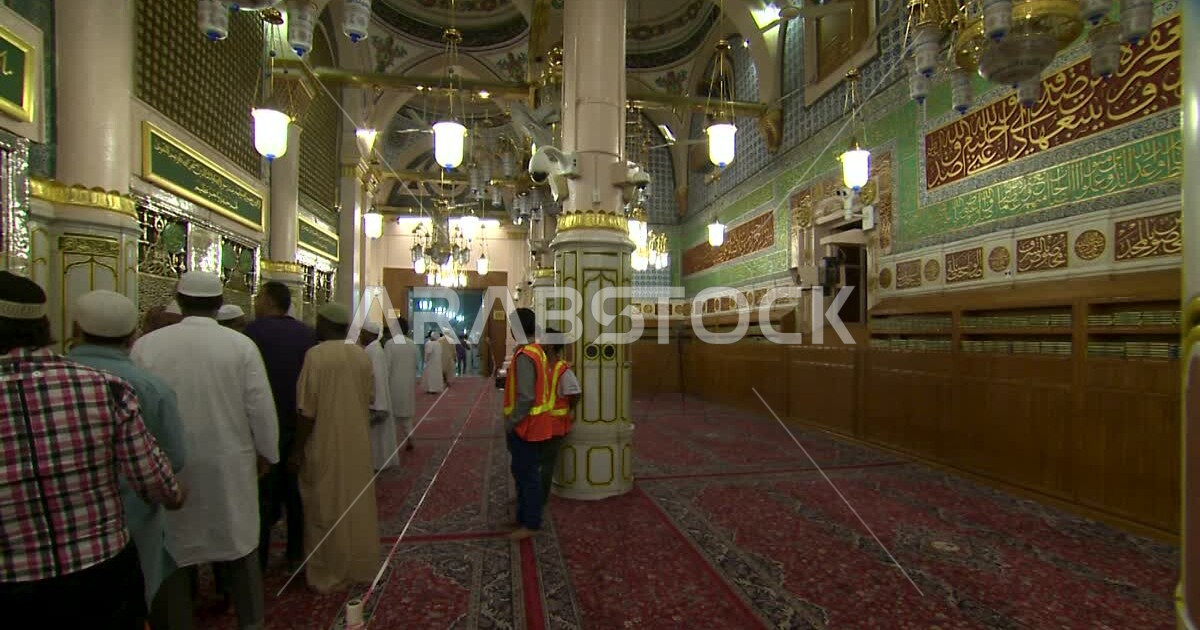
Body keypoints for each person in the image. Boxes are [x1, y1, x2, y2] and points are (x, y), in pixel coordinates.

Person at [0, 272, 184, 628]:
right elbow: (158, 480)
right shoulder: (104, 388)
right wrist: (174, 495)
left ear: (74, 327)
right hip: (101, 574)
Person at [131, 271, 279, 630]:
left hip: (170, 467)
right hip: (230, 463)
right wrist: (267, 454)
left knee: (176, 550)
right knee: (238, 544)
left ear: (179, 301)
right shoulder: (239, 346)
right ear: (218, 303)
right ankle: (251, 622)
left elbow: (136, 412)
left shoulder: (147, 346)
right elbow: (259, 407)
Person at [66, 291, 189, 626]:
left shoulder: (45, 381)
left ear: (75, 330)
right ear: (132, 334)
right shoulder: (148, 386)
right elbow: (173, 459)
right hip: (131, 524)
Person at [293, 303, 381, 593]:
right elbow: (369, 396)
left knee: (324, 504)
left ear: (323, 323)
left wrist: (296, 448)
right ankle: (358, 565)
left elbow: (307, 410)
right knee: (354, 504)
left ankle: (327, 571)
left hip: (324, 441)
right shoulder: (359, 356)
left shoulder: (315, 356)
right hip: (357, 442)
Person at [243, 281, 316, 576]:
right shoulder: (307, 335)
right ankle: (295, 555)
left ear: (269, 300)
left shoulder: (250, 334)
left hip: (259, 431)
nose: (256, 301)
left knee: (262, 499)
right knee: (296, 494)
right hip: (298, 426)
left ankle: (257, 563)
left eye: (259, 296)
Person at [503, 308, 555, 540]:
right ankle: (523, 516)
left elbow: (526, 397)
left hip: (526, 426)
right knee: (524, 472)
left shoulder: (526, 355)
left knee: (527, 475)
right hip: (536, 424)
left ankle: (531, 523)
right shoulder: (537, 351)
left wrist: (512, 421)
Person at [540, 330, 581, 507]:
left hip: (554, 426)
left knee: (545, 466)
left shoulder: (562, 369)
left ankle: (539, 501)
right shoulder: (539, 364)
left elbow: (575, 393)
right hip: (538, 423)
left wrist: (568, 410)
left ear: (550, 345)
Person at [360, 321, 396, 471]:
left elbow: (378, 378)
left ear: (370, 334)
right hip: (375, 399)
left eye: (363, 333)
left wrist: (378, 406)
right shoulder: (373, 349)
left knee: (376, 437)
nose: (360, 336)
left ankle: (377, 463)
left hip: (376, 402)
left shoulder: (373, 351)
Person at [384, 316, 417, 453]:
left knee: (391, 416)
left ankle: (390, 445)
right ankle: (409, 436)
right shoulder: (412, 344)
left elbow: (386, 367)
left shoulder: (390, 344)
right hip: (409, 383)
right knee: (406, 415)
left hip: (393, 383)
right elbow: (416, 365)